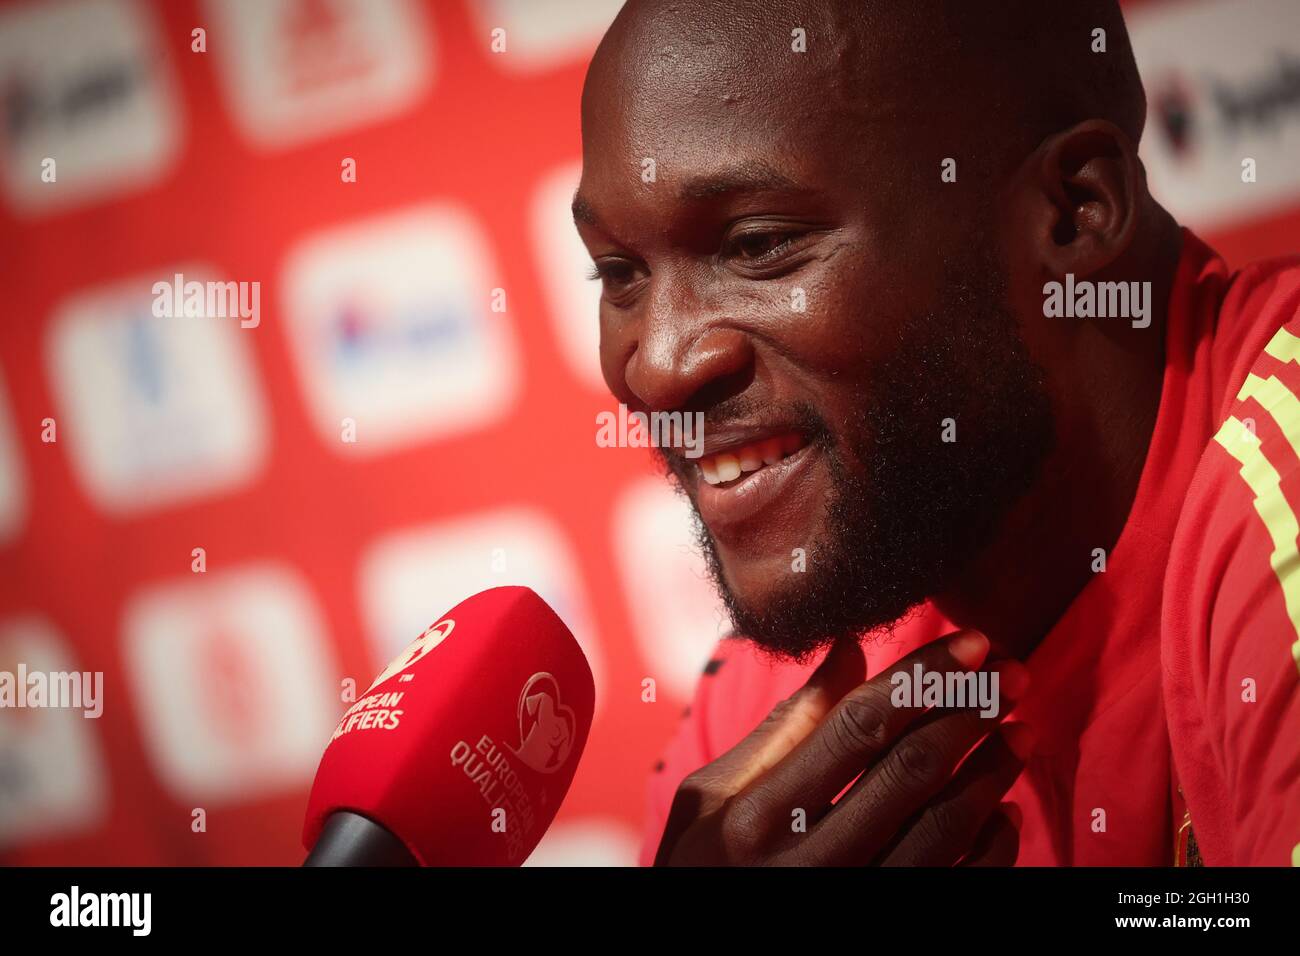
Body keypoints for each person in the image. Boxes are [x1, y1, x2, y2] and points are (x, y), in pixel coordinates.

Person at [573, 0, 1300, 865]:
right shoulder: (783, 720)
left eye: (759, 243)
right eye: (619, 271)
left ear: (1073, 210)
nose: (654, 368)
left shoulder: (1280, 474)